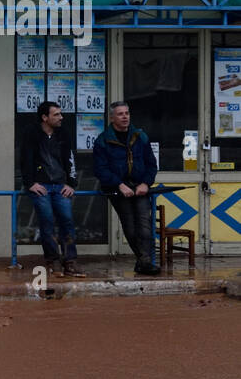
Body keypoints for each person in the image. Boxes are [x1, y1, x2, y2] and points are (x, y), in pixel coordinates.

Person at [92, 100, 160, 275]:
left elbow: (151, 165)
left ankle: (144, 261)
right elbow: (100, 169)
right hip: (117, 189)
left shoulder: (140, 136)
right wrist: (119, 185)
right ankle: (143, 261)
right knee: (130, 227)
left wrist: (146, 183)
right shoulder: (103, 140)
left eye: (127, 113)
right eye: (120, 114)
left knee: (144, 225)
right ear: (112, 117)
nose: (125, 117)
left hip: (140, 188)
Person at [19, 100, 83, 277]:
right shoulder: (31, 133)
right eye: (56, 114)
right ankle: (52, 260)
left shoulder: (63, 133)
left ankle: (70, 262)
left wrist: (71, 183)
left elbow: (70, 158)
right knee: (46, 221)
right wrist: (30, 182)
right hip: (41, 186)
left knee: (67, 220)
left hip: (60, 185)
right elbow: (25, 160)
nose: (61, 117)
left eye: (60, 114)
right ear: (44, 117)